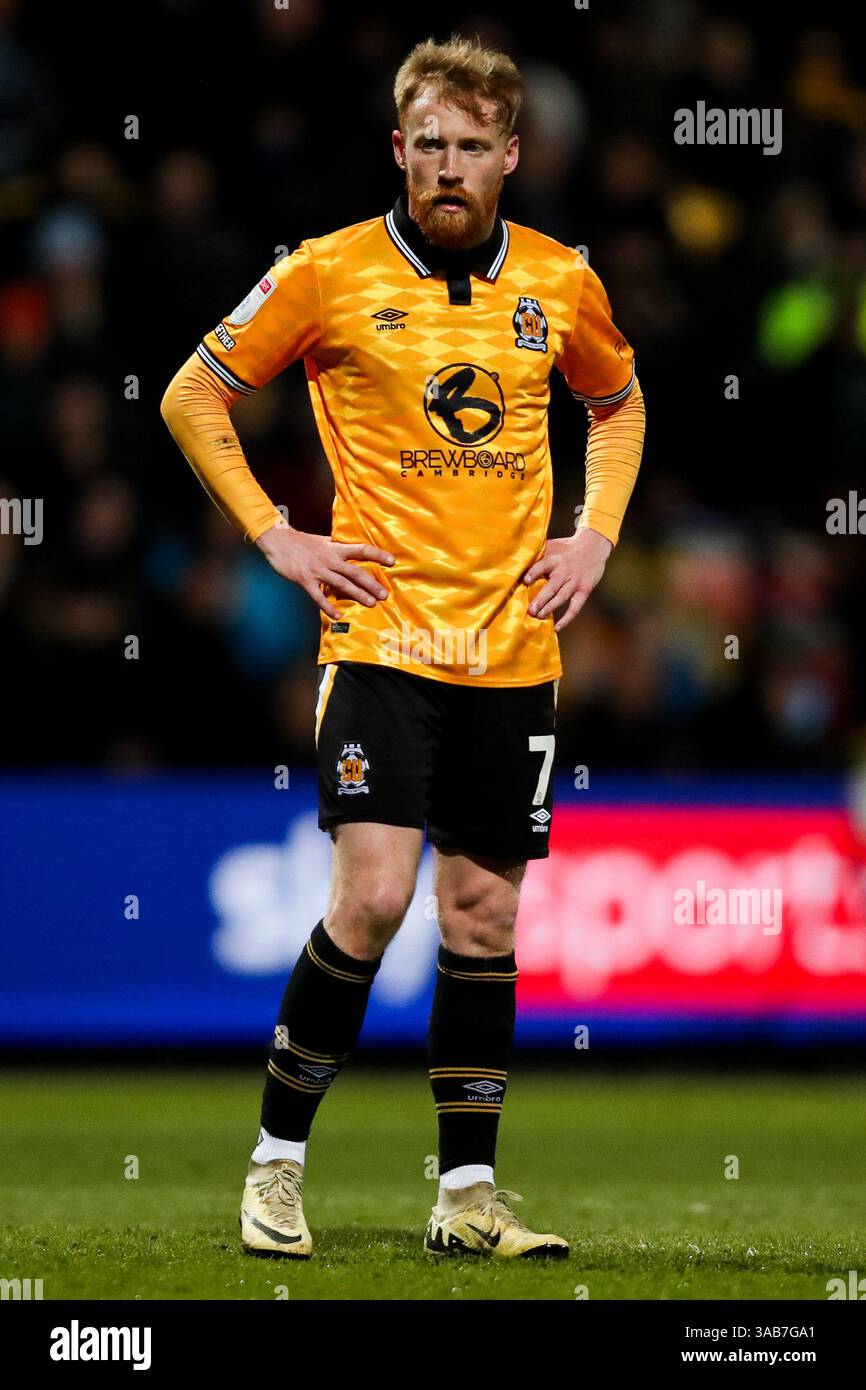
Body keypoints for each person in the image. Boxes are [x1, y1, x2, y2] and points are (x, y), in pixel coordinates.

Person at [160, 33, 646, 1261]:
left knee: (482, 916)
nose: (445, 164)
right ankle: (274, 1169)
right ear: (396, 148)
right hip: (379, 635)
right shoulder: (323, 273)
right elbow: (190, 394)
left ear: (510, 156)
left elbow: (619, 399)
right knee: (374, 896)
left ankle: (466, 1195)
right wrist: (274, 534)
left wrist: (594, 538)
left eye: (469, 145)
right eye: (425, 142)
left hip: (513, 649)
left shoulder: (559, 279)